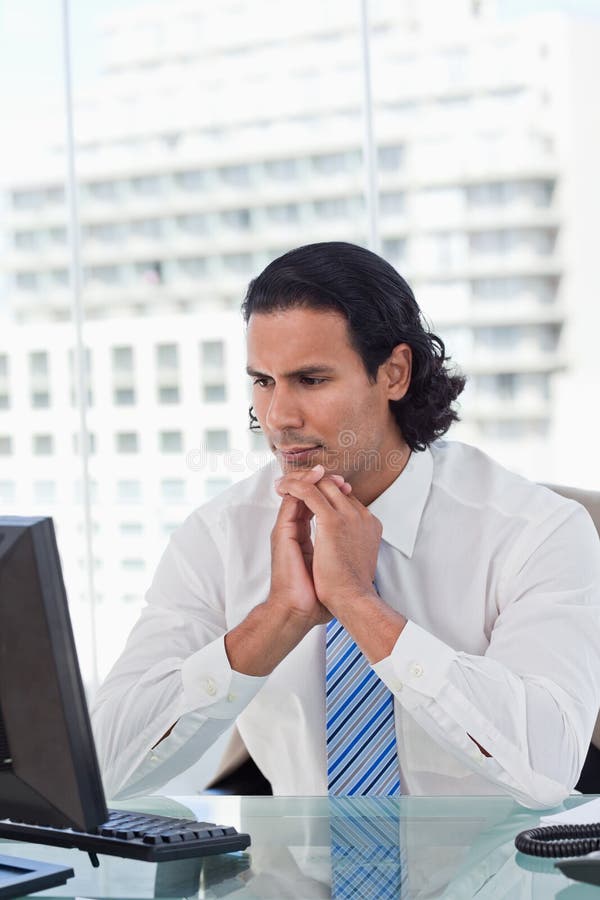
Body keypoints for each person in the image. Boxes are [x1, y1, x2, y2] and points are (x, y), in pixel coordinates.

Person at [92, 241, 600, 809]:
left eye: (311, 380)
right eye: (263, 381)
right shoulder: (218, 536)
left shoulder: (537, 530)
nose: (279, 417)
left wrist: (359, 605)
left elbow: (548, 767)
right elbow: (106, 772)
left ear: (395, 373)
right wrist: (277, 620)